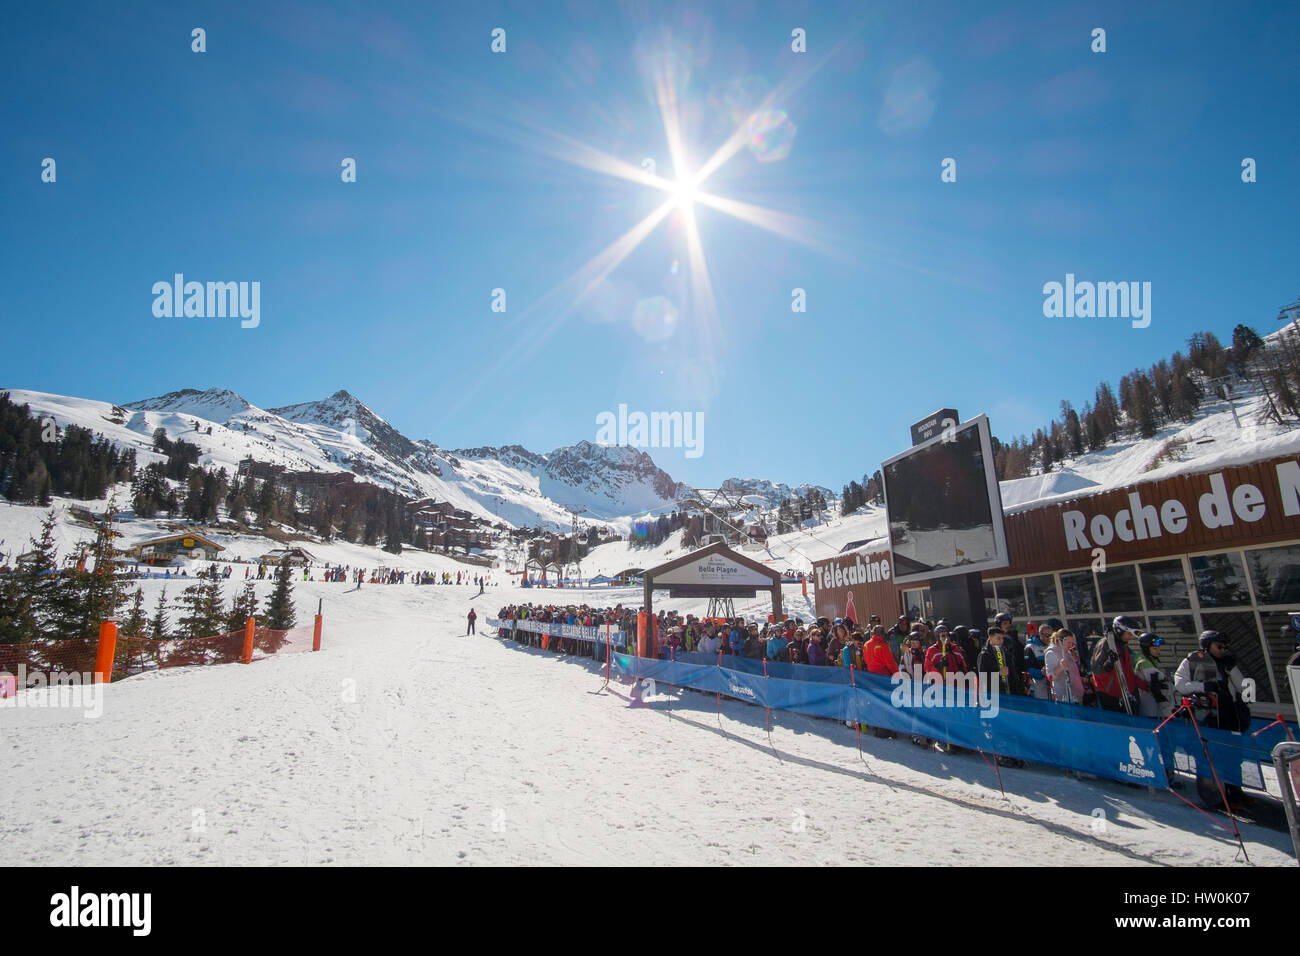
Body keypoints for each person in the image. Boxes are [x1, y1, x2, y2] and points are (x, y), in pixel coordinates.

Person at [1174, 630, 1252, 808]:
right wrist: (1202, 686)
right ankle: (1215, 793)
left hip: (1229, 715)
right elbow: (1179, 684)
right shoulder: (1194, 660)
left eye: (1225, 646)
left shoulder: (1226, 662)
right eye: (1219, 646)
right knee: (1211, 755)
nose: (1223, 650)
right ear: (1207, 645)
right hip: (1208, 718)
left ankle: (1235, 791)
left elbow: (1245, 688)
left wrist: (1233, 671)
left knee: (1233, 755)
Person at [1090, 616, 1147, 714]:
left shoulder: (1123, 645)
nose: (1131, 637)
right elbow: (1096, 669)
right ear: (1120, 631)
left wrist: (1147, 686)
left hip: (1126, 693)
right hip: (1111, 695)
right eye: (1129, 634)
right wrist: (1108, 664)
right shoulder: (1106, 644)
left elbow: (1128, 673)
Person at [1131, 633, 1173, 718]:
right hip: (1150, 707)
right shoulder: (1144, 663)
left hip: (1152, 704)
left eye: (1158, 648)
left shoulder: (1147, 659)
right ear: (1146, 649)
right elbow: (1162, 680)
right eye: (1154, 648)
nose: (1158, 651)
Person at [1044, 628, 1084, 705]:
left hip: (1076, 695)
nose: (1071, 645)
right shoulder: (1051, 653)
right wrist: (1060, 667)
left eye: (1072, 643)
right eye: (1069, 642)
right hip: (1065, 697)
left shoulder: (1067, 652)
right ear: (1060, 641)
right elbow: (1050, 676)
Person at [1025, 623, 1051, 699]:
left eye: (1051, 635)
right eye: (1047, 635)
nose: (1049, 638)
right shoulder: (1030, 647)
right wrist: (1041, 673)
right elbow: (1028, 668)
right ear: (1040, 634)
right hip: (1038, 683)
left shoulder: (1052, 645)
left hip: (1052, 682)